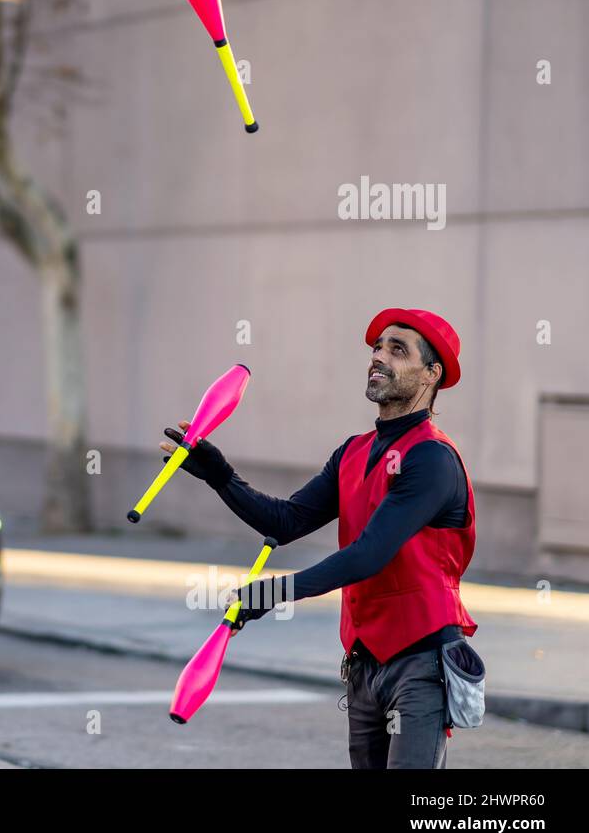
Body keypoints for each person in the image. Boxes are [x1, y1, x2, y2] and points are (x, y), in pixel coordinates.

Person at [161, 308, 477, 769]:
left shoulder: (432, 459)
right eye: (377, 347)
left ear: (432, 374)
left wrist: (278, 591)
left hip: (422, 660)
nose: (378, 357)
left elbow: (368, 555)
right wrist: (219, 475)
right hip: (364, 661)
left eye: (397, 349)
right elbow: (285, 522)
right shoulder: (352, 452)